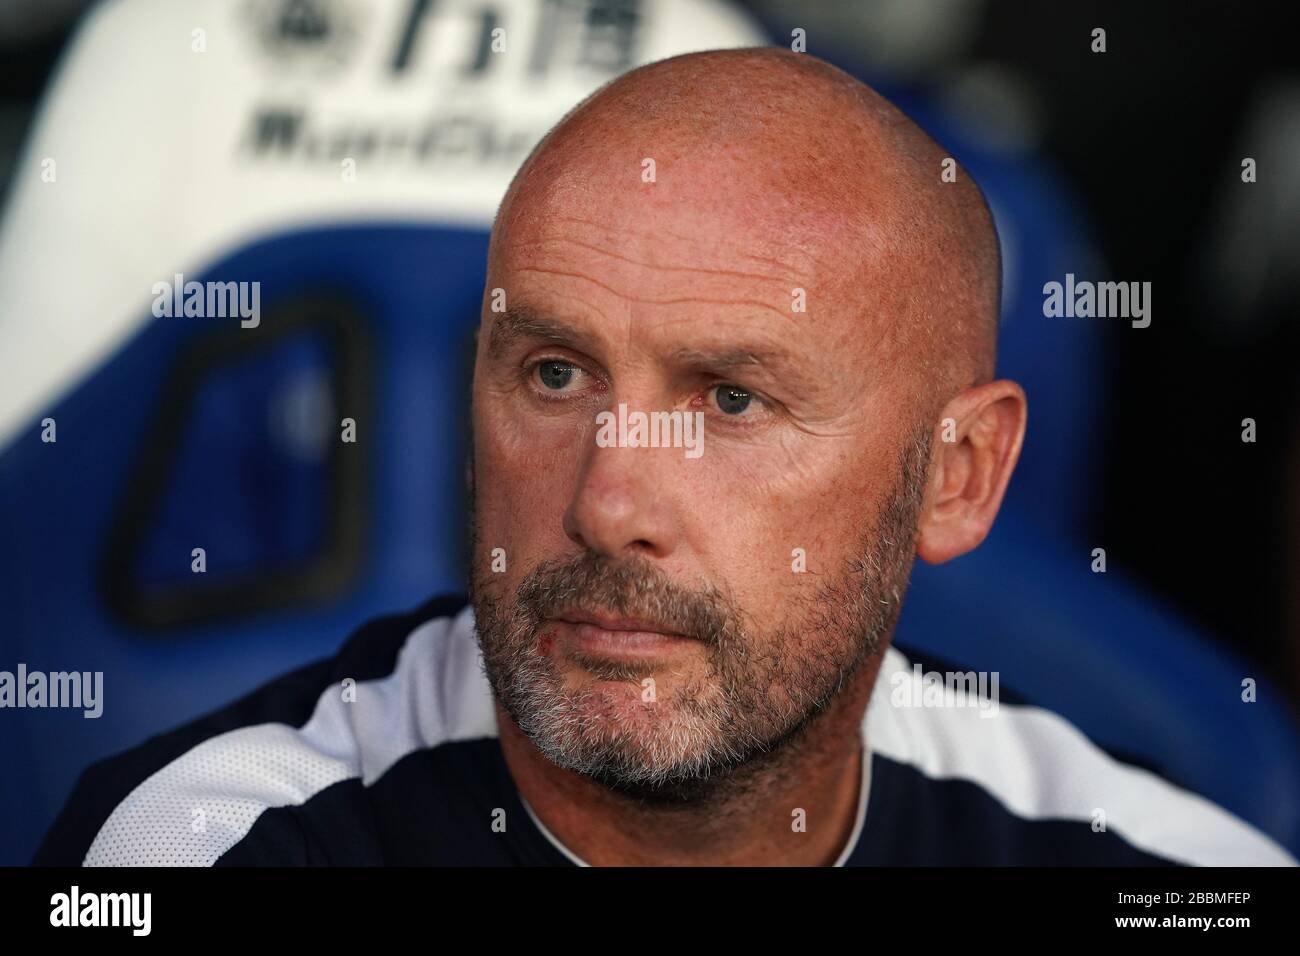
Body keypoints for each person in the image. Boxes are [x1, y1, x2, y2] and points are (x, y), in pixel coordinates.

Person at [35, 47, 1295, 866]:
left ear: (957, 474)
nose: (607, 499)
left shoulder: (1176, 871)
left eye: (733, 400)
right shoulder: (198, 849)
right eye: (554, 374)